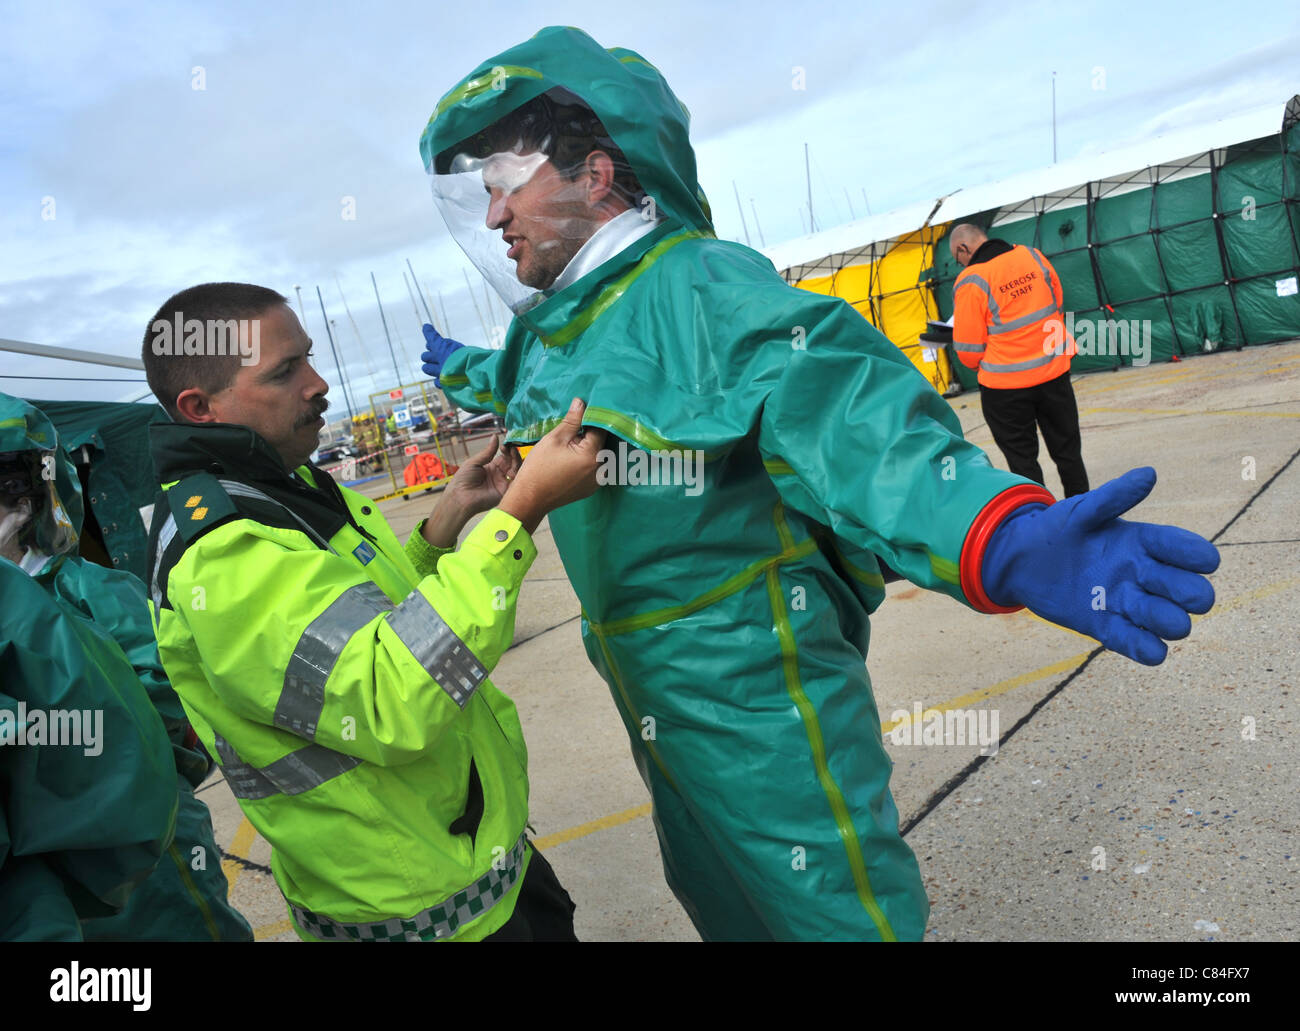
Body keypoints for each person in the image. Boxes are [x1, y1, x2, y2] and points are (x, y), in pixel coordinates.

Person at [415, 27, 1221, 942]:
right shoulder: (553, 327)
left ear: (596, 176)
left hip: (752, 678)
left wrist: (994, 529)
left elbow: (845, 405)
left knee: (825, 908)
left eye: (502, 189)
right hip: (651, 692)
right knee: (725, 899)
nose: (490, 220)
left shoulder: (698, 286)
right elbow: (533, 378)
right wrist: (458, 369)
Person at [140, 282, 604, 941]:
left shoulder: (286, 486)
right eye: (285, 371)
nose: (319, 383)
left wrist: (443, 524)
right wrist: (516, 515)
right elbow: (389, 696)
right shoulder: (226, 552)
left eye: (306, 356)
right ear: (200, 407)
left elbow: (370, 624)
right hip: (418, 919)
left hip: (482, 874)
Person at [0, 399, 179, 940]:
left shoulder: (90, 592)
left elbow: (170, 713)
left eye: (11, 485)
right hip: (48, 877)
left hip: (153, 868)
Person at [949, 222, 1090, 497]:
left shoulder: (971, 280)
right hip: (1054, 374)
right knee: (1069, 453)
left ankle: (1042, 525)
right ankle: (1085, 515)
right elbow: (1057, 303)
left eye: (958, 259)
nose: (960, 264)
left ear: (963, 248)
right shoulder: (1033, 256)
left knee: (1023, 464)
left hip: (1005, 389)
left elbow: (968, 352)